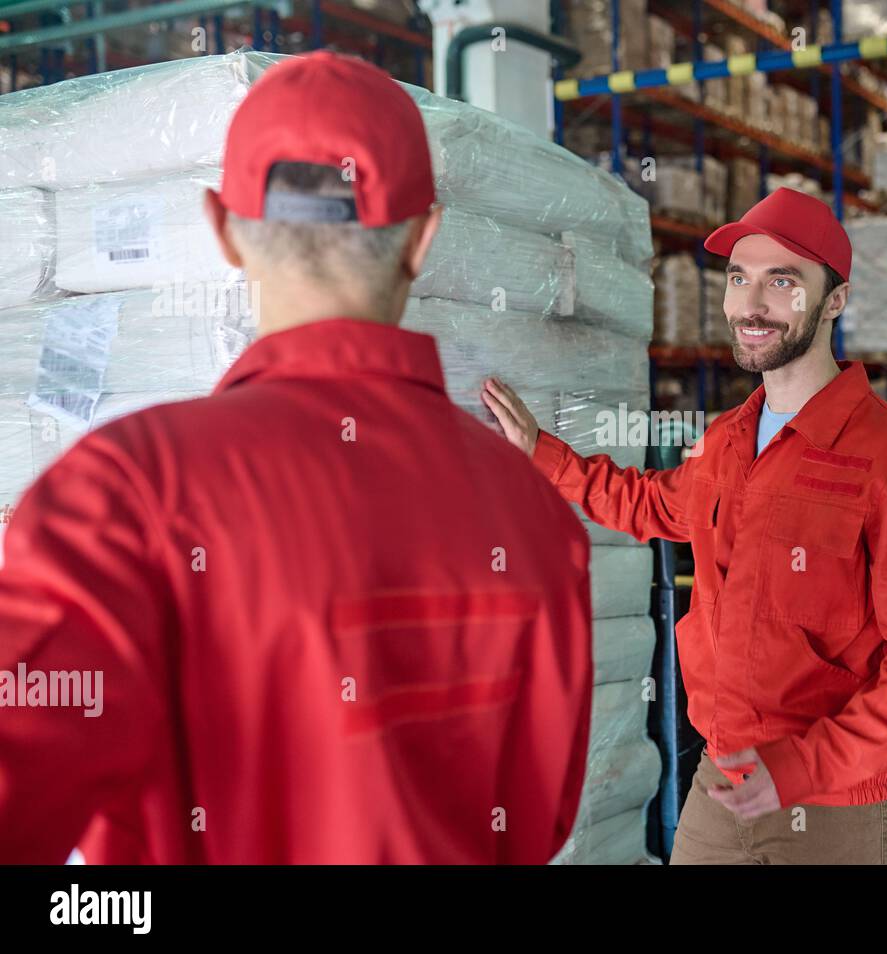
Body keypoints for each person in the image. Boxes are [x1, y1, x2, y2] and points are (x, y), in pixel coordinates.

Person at [0, 52, 593, 864]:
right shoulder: (532, 518)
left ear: (221, 228)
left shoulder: (120, 493)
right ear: (423, 239)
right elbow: (539, 815)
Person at [484, 187, 887, 864]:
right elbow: (654, 506)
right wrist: (544, 456)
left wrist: (799, 768)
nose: (750, 305)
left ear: (834, 301)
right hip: (722, 782)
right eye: (739, 279)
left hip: (836, 808)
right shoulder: (727, 441)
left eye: (782, 282)